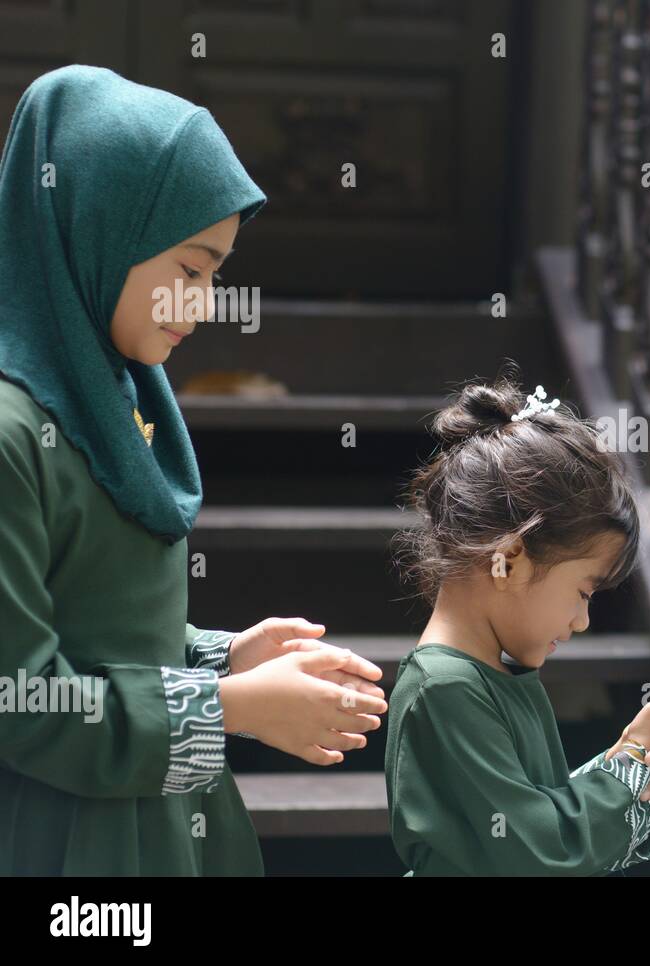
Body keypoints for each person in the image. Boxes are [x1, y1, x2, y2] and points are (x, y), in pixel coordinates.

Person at [0, 65, 387, 875]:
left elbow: (90, 623)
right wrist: (228, 709)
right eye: (188, 269)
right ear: (97, 230)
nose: (203, 307)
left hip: (158, 821)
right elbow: (25, 705)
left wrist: (221, 657)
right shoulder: (11, 436)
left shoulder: (114, 397)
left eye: (215, 276)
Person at [386, 377, 650, 875]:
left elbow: (538, 815)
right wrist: (632, 759)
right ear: (509, 560)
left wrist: (628, 751)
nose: (582, 620)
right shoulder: (445, 688)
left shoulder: (476, 677)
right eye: (583, 592)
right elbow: (542, 852)